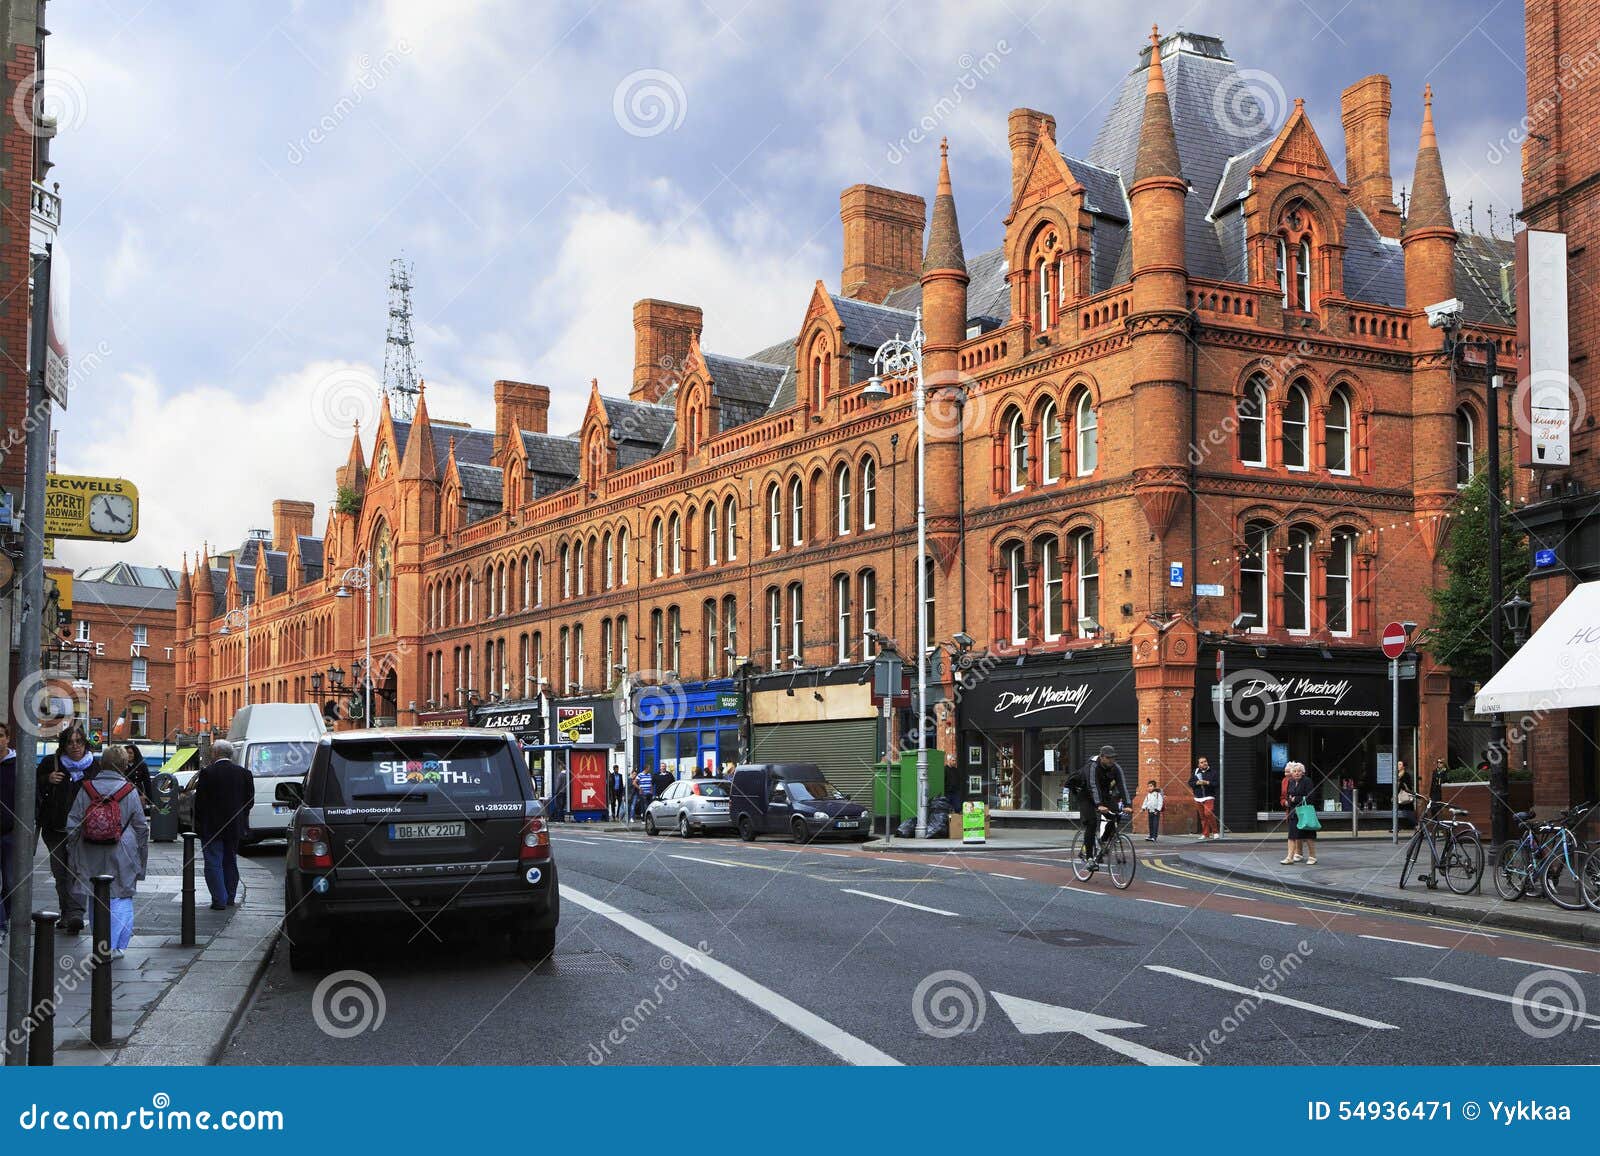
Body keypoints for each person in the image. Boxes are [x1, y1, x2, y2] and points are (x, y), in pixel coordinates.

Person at [66, 745, 148, 958]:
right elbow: (141, 827)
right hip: (123, 851)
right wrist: (141, 860)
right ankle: (115, 946)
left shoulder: (87, 788)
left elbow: (73, 824)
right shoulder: (130, 791)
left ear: (101, 764)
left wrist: (74, 852)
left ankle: (100, 941)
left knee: (95, 895)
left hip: (89, 848)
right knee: (122, 895)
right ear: (124, 765)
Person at [36, 723, 100, 935]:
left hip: (84, 830)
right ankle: (66, 912)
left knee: (77, 871)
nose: (75, 746)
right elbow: (31, 787)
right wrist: (47, 780)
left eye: (79, 742)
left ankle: (75, 915)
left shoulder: (94, 767)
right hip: (55, 829)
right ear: (63, 745)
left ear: (85, 744)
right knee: (60, 873)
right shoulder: (50, 763)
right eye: (70, 742)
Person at [192, 739, 254, 910]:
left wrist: (198, 825)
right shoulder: (244, 773)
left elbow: (200, 803)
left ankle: (219, 899)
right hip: (234, 827)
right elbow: (249, 801)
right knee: (230, 861)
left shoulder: (207, 773)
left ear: (216, 753)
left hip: (212, 827)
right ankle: (230, 897)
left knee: (213, 862)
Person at [1080, 745, 1129, 859]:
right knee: (1092, 823)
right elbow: (1093, 785)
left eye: (1113, 758)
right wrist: (1098, 805)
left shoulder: (1116, 768)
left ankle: (1103, 841)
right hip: (1086, 796)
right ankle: (1089, 857)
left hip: (1104, 796)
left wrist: (1127, 804)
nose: (1112, 760)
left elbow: (1122, 786)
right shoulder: (1092, 766)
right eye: (1109, 758)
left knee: (1116, 815)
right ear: (1101, 757)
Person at [1282, 761, 1318, 865]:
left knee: (1308, 836)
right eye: (1294, 771)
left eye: (1299, 771)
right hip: (1294, 812)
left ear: (1303, 772)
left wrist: (1295, 799)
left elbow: (1311, 797)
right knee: (1292, 835)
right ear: (1292, 773)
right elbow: (1289, 795)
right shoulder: (1292, 782)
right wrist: (1289, 801)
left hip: (1305, 812)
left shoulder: (1307, 781)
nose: (1297, 773)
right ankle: (1289, 857)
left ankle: (1312, 856)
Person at [0, 722, 15, 946]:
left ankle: (7, 917)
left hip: (12, 833)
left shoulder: (17, 765)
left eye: (0, 735)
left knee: (11, 882)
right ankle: (1, 924)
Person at [1189, 757, 1219, 839]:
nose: (1204, 763)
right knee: (1202, 816)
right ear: (1199, 765)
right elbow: (1190, 783)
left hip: (1209, 796)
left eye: (1205, 761)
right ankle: (1205, 833)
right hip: (1198, 797)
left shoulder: (1213, 772)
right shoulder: (1195, 772)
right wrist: (1196, 782)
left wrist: (1207, 782)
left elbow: (1217, 784)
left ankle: (1215, 831)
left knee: (1208, 813)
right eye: (1201, 762)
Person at [121, 742, 152, 807]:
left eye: (130, 753)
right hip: (123, 795)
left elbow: (147, 783)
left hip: (138, 795)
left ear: (135, 754)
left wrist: (149, 799)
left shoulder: (142, 765)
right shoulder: (121, 765)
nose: (128, 755)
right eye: (126, 753)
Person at [1395, 760, 1416, 830]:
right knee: (1395, 811)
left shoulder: (1406, 775)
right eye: (1398, 764)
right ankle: (1396, 827)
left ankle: (1416, 825)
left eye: (1400, 764)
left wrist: (1402, 784)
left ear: (1403, 767)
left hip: (1404, 796)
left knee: (1408, 812)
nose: (1398, 766)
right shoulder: (1396, 774)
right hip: (1398, 796)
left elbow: (1408, 786)